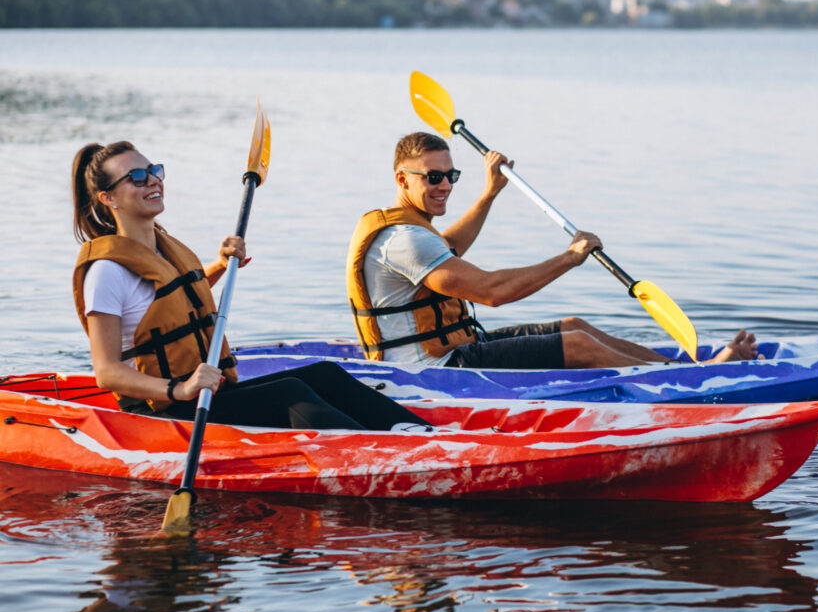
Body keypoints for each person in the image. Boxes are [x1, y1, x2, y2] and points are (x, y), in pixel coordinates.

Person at [71, 140, 429, 431]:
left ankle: (418, 435)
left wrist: (221, 264)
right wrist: (180, 388)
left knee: (325, 374)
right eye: (136, 176)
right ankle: (378, 453)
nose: (152, 180)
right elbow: (107, 372)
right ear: (108, 198)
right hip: (166, 410)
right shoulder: (106, 272)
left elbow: (172, 302)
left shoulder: (163, 250)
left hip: (208, 394)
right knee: (287, 392)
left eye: (155, 171)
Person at [346, 132, 759, 369]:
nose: (445, 185)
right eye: (433, 176)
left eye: (451, 174)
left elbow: (449, 245)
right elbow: (493, 292)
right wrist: (569, 258)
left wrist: (490, 192)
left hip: (453, 349)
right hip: (427, 373)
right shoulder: (404, 240)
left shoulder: (410, 232)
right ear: (402, 179)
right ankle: (695, 383)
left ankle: (686, 374)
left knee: (575, 325)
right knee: (579, 346)